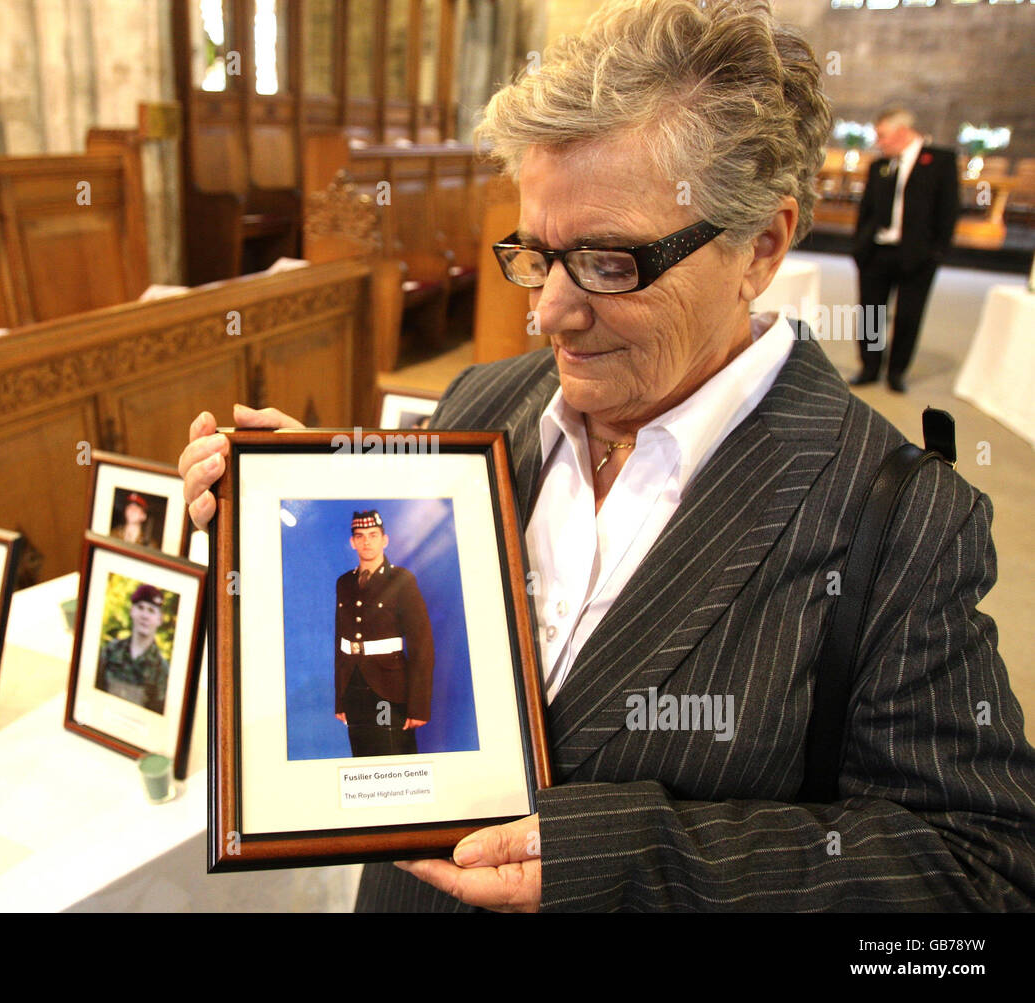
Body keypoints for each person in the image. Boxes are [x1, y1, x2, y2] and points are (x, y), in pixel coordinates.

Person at [179, 0, 1035, 912]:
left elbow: (981, 868)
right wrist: (301, 491)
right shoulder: (483, 403)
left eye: (610, 263)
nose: (547, 312)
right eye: (534, 255)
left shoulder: (897, 517)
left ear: (761, 247)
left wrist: (627, 858)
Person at [851, 107, 960, 393]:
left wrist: (937, 252)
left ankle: (896, 372)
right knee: (871, 312)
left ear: (901, 132)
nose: (878, 142)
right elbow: (866, 209)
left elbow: (949, 209)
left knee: (909, 315)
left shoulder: (939, 161)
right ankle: (869, 367)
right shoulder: (880, 165)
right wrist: (859, 246)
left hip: (917, 254)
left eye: (882, 135)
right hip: (877, 251)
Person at [334, 510, 435, 757]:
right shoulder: (344, 583)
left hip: (390, 688)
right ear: (352, 542)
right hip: (354, 688)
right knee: (361, 757)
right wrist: (340, 699)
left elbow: (422, 645)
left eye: (373, 535)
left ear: (384, 540)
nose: (366, 542)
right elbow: (341, 643)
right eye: (360, 536)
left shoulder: (401, 580)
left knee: (394, 756)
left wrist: (419, 707)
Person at [96, 583, 169, 714]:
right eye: (140, 607)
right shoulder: (110, 651)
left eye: (151, 610)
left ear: (159, 619)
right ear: (132, 611)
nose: (144, 615)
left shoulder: (161, 670)